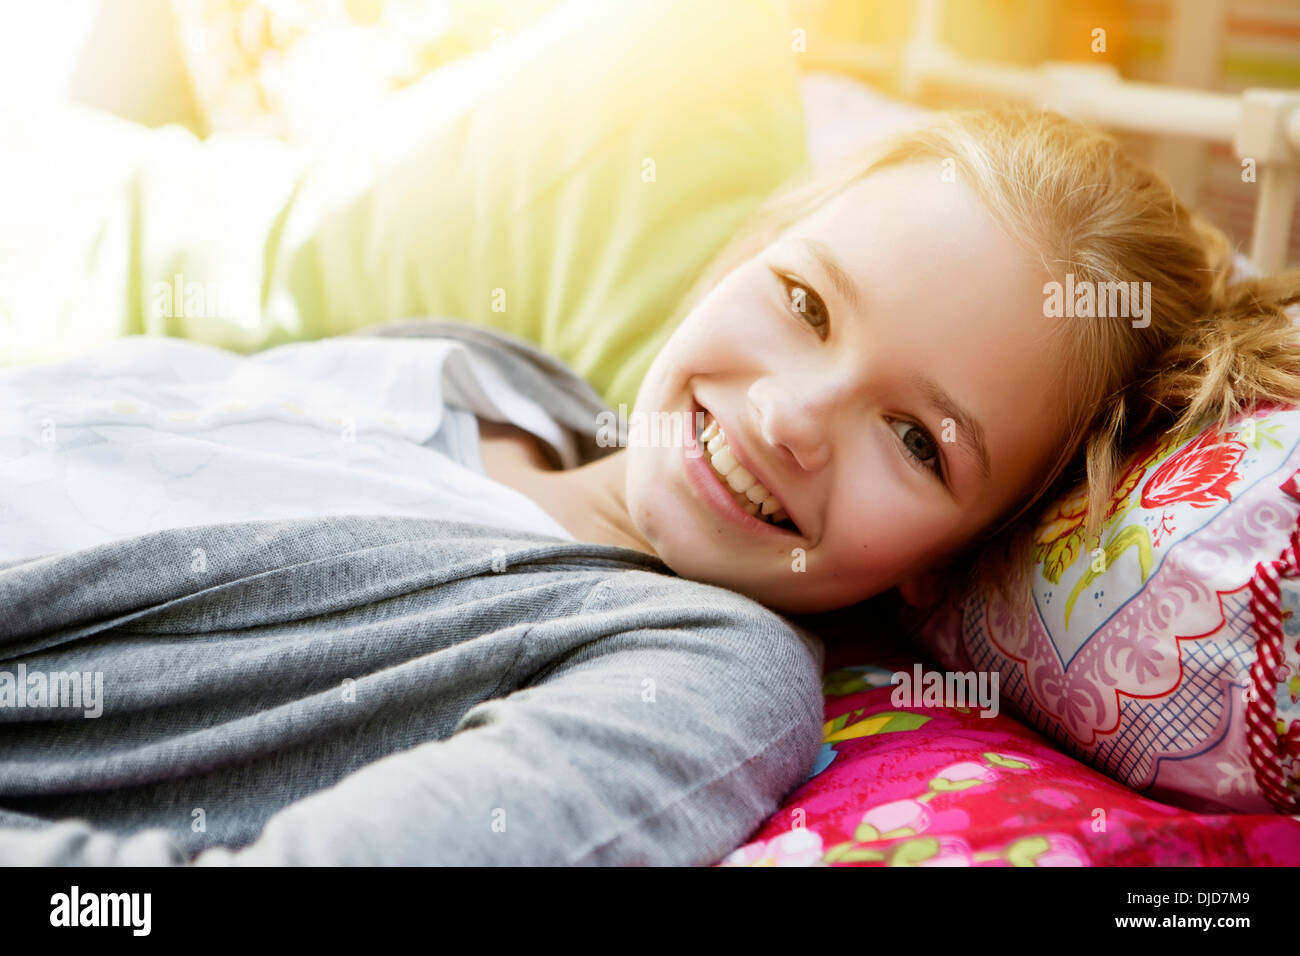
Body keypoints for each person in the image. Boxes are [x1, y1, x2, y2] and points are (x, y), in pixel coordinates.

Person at [1, 108, 1297, 865]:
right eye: (803, 301)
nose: (791, 416)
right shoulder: (484, 373)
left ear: (954, 557)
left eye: (918, 441)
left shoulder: (699, 672)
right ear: (747, 249)